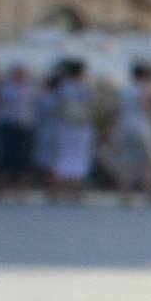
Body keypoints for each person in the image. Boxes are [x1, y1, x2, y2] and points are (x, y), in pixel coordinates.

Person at [110, 64, 151, 205]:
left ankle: (124, 194)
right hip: (142, 128)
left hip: (125, 127)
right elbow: (145, 107)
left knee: (127, 162)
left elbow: (116, 110)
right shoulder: (144, 89)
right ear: (144, 76)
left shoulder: (124, 90)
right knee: (150, 163)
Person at [49, 61, 97, 202]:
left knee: (75, 159)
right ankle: (61, 192)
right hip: (71, 127)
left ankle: (72, 191)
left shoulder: (77, 87)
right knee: (69, 159)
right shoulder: (70, 88)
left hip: (77, 128)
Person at [0, 65, 38, 195]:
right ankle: (2, 188)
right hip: (8, 126)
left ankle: (21, 189)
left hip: (25, 127)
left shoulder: (32, 89)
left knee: (24, 159)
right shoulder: (6, 88)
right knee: (5, 158)